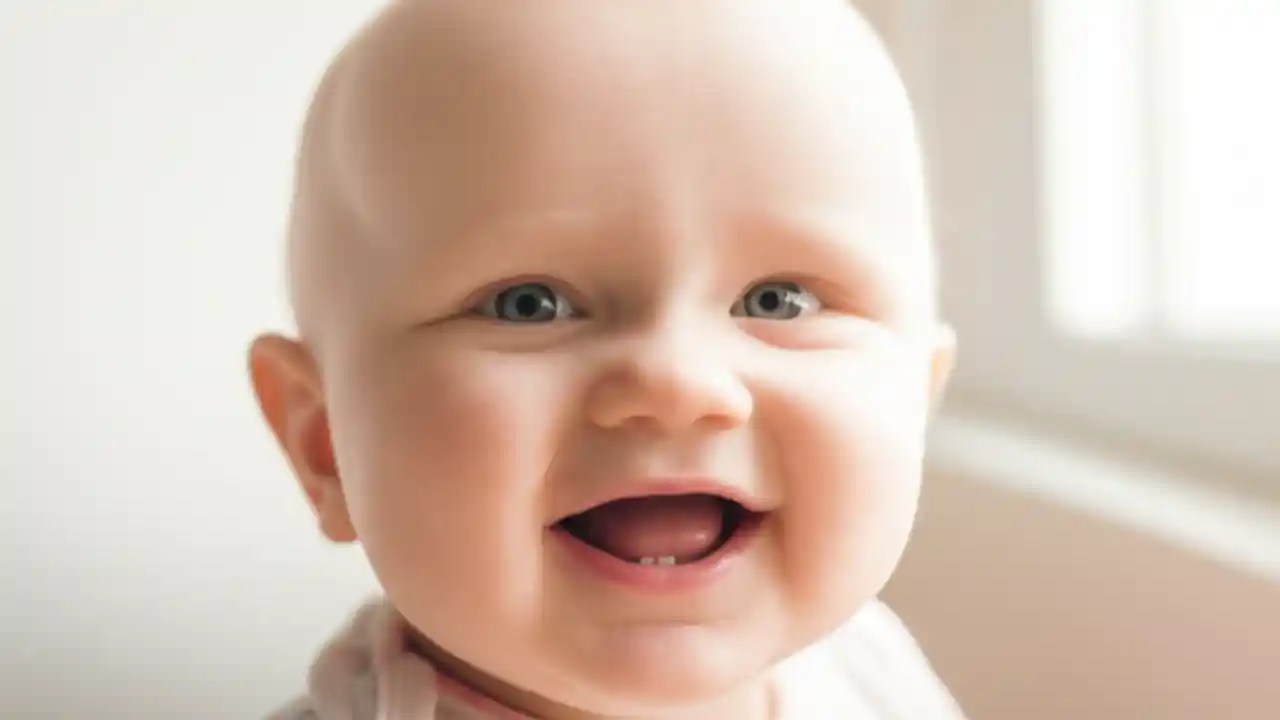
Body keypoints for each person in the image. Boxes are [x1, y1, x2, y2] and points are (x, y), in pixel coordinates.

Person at [248, 0, 962, 717]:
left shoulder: (872, 677)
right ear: (326, 445)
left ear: (916, 407)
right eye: (528, 303)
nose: (676, 381)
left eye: (780, 301)